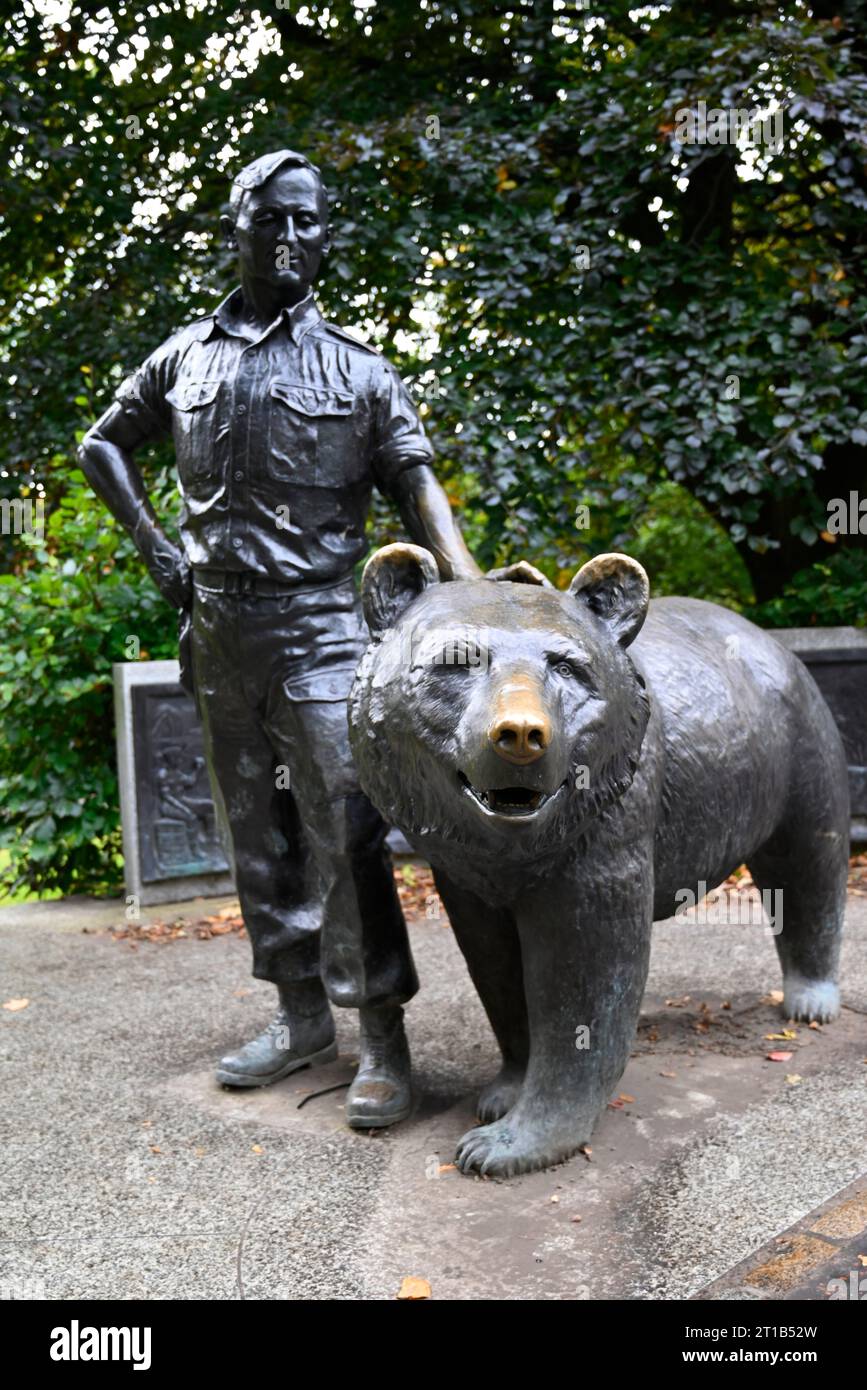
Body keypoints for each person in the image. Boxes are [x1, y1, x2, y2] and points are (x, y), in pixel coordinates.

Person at [78, 149, 480, 1128]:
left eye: (310, 221)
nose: (294, 238)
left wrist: (468, 589)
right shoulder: (184, 358)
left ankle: (381, 1034)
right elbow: (100, 445)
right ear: (238, 228)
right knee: (257, 836)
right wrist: (159, 553)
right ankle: (302, 1015)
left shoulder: (360, 369)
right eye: (274, 221)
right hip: (218, 630)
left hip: (320, 628)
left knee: (344, 832)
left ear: (326, 233)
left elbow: (415, 479)